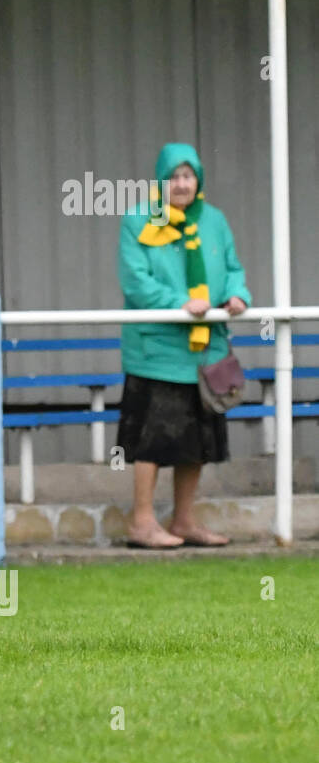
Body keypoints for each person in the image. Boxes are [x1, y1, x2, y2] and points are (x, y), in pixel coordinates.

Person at [117, 142, 251, 548]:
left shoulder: (215, 220)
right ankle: (141, 523)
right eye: (173, 176)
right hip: (156, 351)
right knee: (150, 440)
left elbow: (231, 268)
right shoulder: (138, 218)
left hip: (205, 351)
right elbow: (135, 281)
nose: (181, 184)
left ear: (199, 180)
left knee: (198, 440)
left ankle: (184, 521)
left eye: (188, 176)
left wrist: (237, 295)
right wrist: (179, 304)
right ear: (160, 180)